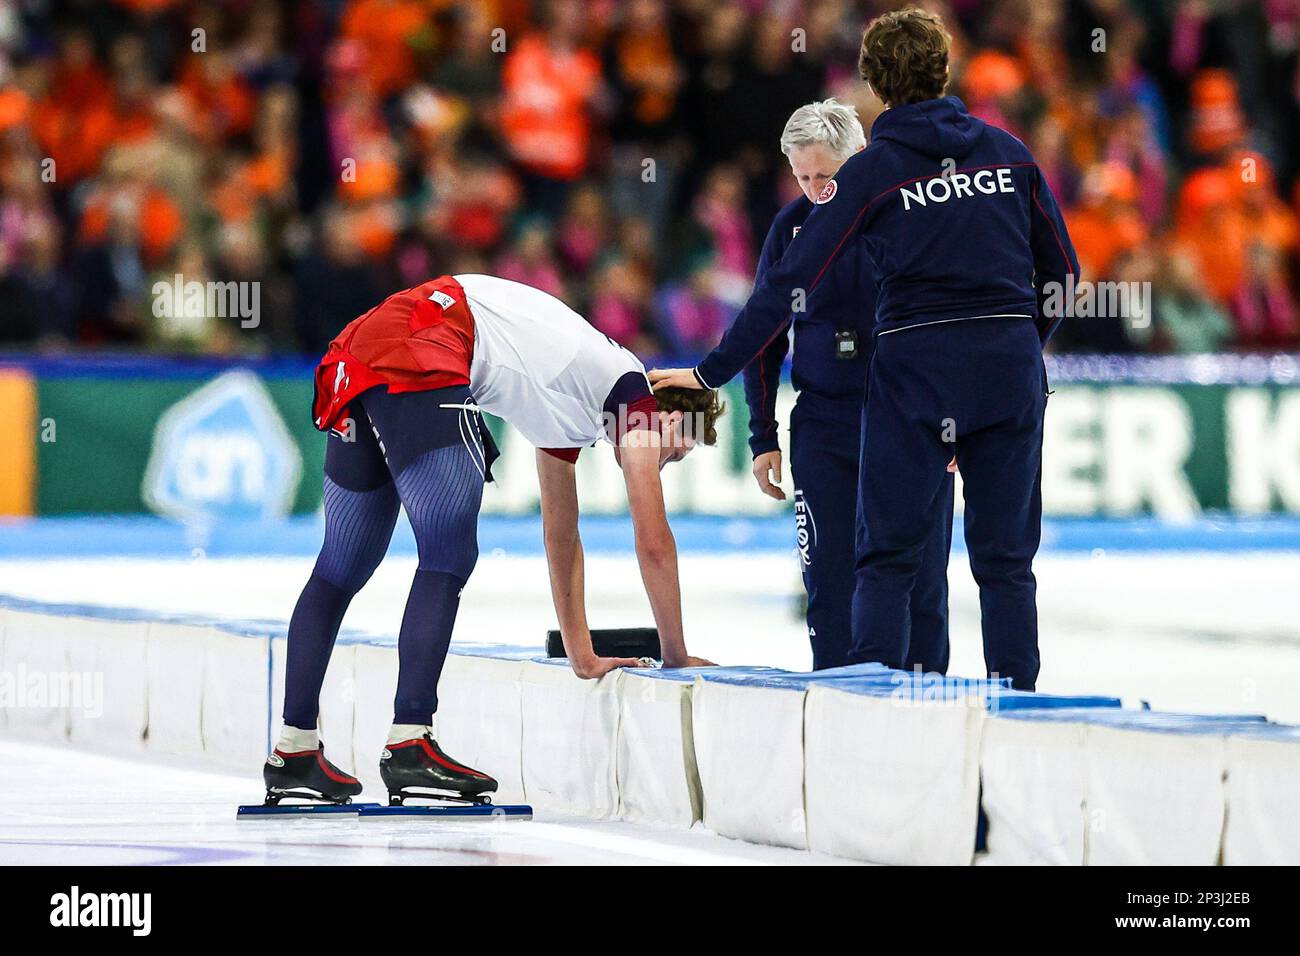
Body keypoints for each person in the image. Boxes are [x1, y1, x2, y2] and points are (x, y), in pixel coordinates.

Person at [652, 8, 1078, 690]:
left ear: (874, 86)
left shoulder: (873, 172)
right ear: (946, 69)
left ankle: (876, 723)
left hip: (916, 376)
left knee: (886, 561)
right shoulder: (1010, 153)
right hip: (1008, 372)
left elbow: (786, 284)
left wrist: (706, 373)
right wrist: (1019, 345)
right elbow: (1062, 275)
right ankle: (1013, 722)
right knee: (1005, 565)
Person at [266, 273, 721, 805]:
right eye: (677, 451)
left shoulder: (575, 410)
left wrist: (584, 654)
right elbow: (653, 538)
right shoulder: (633, 396)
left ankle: (294, 749)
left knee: (342, 565)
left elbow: (561, 536)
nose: (662, 465)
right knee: (448, 552)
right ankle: (410, 740)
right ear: (668, 413)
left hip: (367, 345)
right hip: (428, 341)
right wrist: (676, 654)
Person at [741, 98, 953, 671]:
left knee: (923, 583)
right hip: (826, 429)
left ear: (859, 158)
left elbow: (948, 328)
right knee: (829, 586)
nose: (814, 191)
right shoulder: (791, 230)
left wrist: (955, 425)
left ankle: (925, 707)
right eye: (803, 177)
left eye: (826, 178)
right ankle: (837, 702)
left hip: (911, 424)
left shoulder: (912, 219)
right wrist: (762, 436)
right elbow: (763, 336)